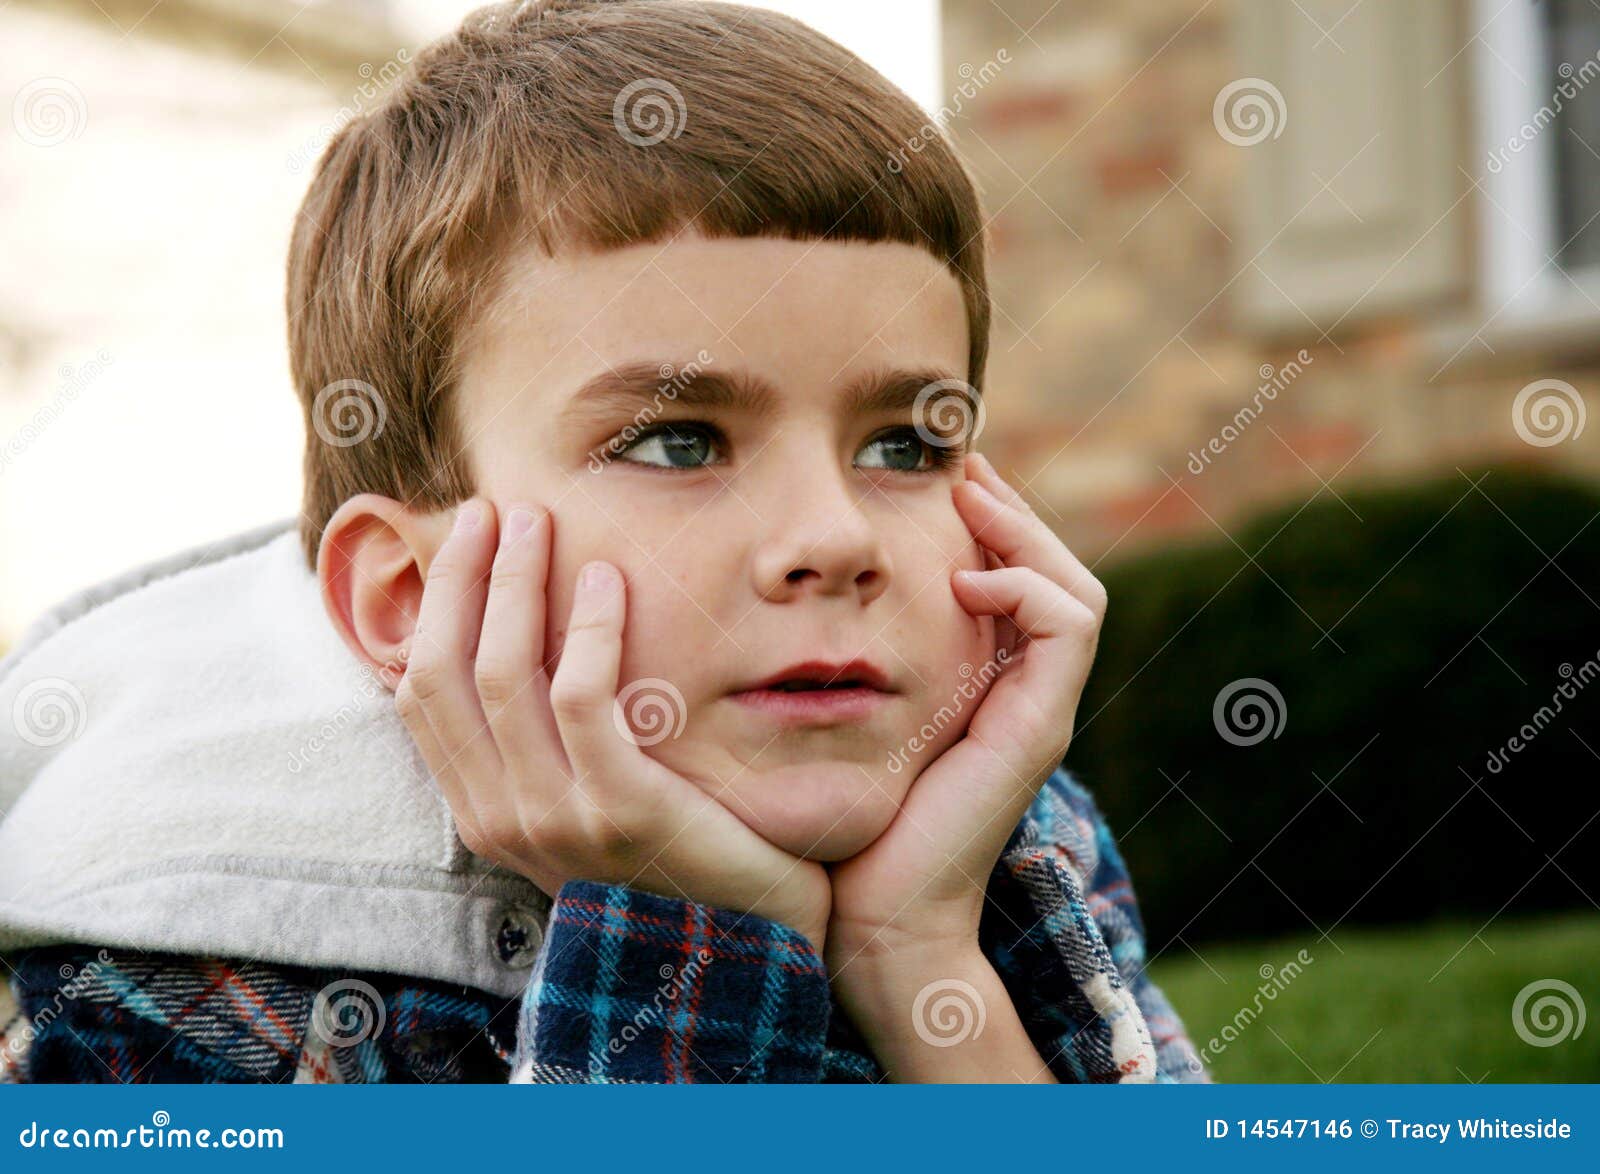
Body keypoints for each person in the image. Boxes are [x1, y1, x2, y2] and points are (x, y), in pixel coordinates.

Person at [0, 0, 1206, 1084]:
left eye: (902, 444)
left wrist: (915, 956)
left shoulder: (1005, 828)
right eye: (680, 442)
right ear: (409, 595)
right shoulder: (158, 976)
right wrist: (692, 939)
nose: (836, 539)